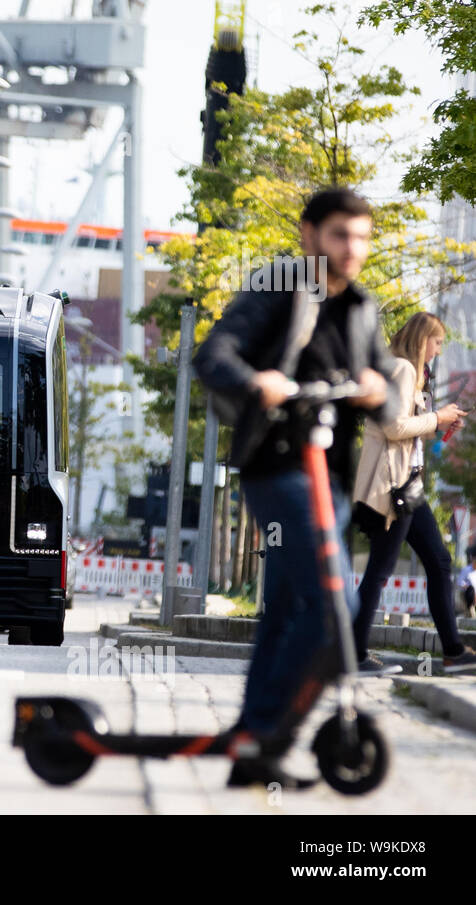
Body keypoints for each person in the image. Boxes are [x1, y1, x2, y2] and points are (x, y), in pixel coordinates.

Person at [192, 187, 399, 789]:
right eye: (339, 235)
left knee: (284, 611)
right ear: (309, 234)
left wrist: (373, 386)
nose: (351, 249)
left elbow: (385, 381)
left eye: (360, 237)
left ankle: (251, 741)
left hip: (329, 479)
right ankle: (271, 734)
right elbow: (214, 355)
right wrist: (260, 382)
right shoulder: (280, 287)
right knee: (336, 611)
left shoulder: (361, 306)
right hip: (277, 470)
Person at [351, 312, 476, 673]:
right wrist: (436, 419)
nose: (438, 352)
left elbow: (406, 430)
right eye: (437, 343)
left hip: (408, 485)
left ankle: (453, 651)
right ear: (423, 341)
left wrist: (440, 421)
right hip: (395, 486)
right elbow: (393, 426)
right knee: (380, 569)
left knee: (438, 562)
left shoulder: (406, 372)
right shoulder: (404, 369)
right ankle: (353, 655)